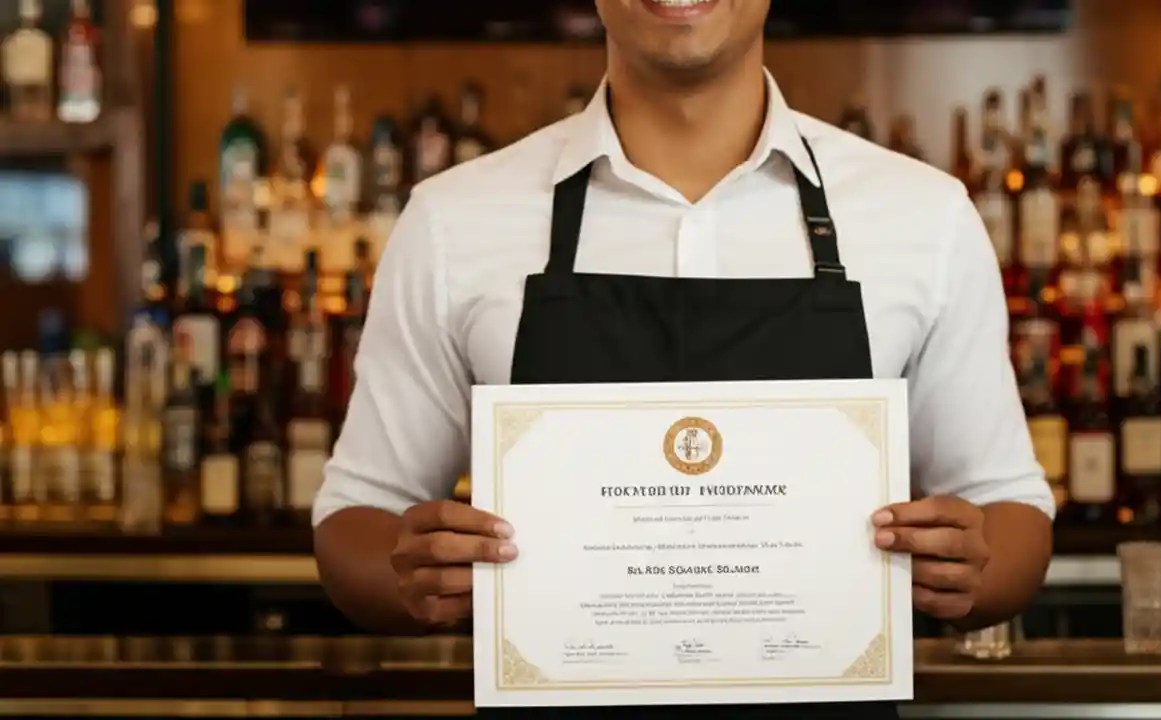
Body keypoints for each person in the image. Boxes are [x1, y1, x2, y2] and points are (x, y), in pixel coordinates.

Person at [313, 0, 1054, 717]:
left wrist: (974, 566)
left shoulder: (923, 216)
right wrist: (408, 572)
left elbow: (1014, 514)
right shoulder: (454, 220)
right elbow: (354, 520)